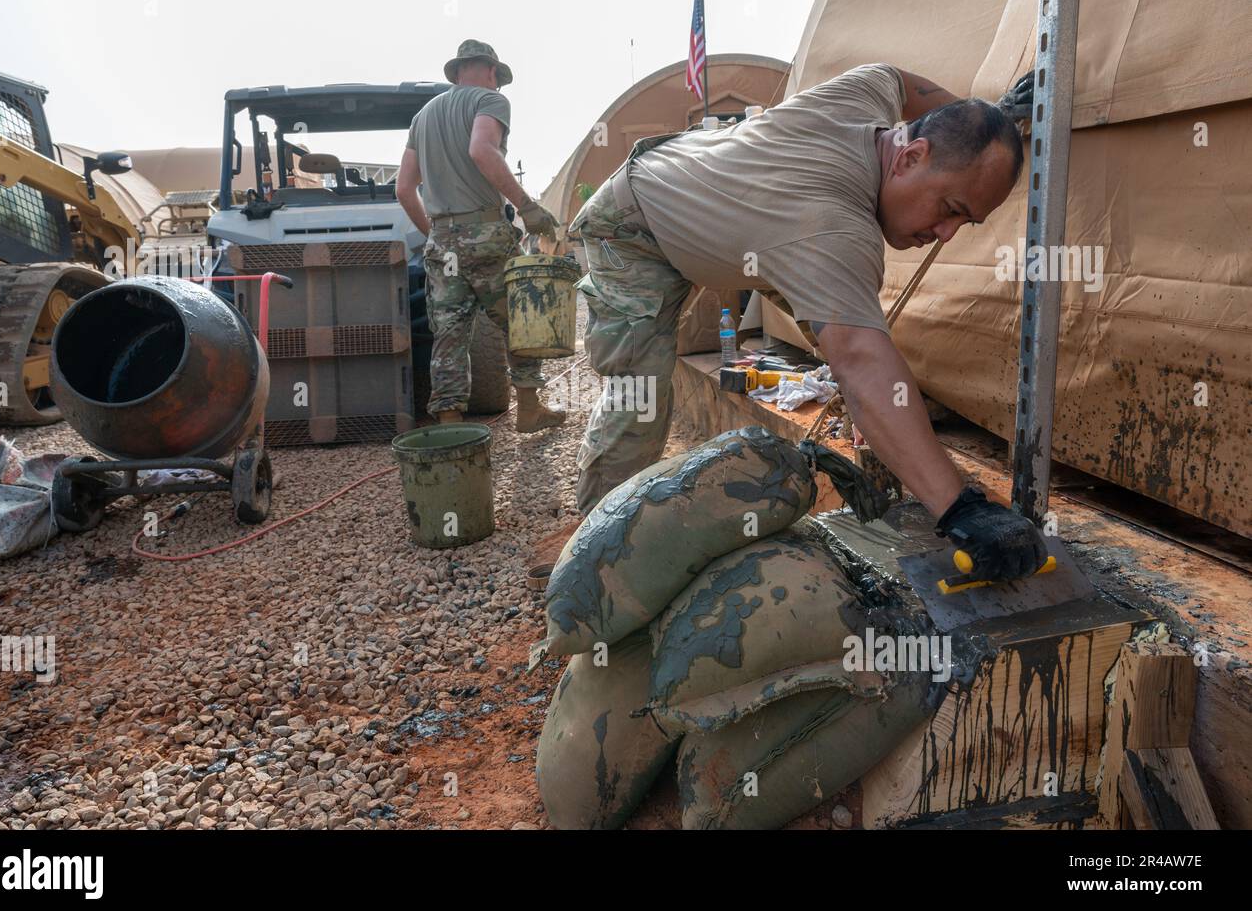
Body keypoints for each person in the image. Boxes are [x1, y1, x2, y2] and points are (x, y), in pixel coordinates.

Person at [570, 64, 1046, 582]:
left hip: (734, 204)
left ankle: (890, 466)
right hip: (638, 219)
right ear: (910, 157)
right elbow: (862, 363)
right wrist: (962, 509)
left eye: (965, 221)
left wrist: (990, 115)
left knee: (855, 332)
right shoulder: (832, 227)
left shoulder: (864, 99)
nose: (947, 234)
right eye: (950, 208)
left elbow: (899, 80)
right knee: (639, 393)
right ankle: (596, 560)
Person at [396, 39, 565, 431]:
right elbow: (481, 150)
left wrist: (437, 235)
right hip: (486, 232)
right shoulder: (490, 102)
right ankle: (528, 409)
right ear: (491, 71)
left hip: (442, 242)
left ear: (456, 71)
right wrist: (526, 206)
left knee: (450, 334)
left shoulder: (422, 117)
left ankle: (451, 424)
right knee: (521, 320)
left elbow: (404, 189)